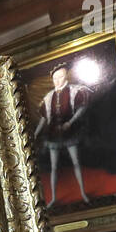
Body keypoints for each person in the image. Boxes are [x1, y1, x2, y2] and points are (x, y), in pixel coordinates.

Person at [33, 64, 91, 208]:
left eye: (60, 77)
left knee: (76, 163)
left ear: (66, 77)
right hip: (53, 135)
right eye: (55, 78)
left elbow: (82, 109)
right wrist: (35, 133)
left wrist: (70, 123)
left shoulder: (74, 92)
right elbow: (44, 118)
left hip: (70, 133)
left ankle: (83, 194)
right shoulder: (48, 97)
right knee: (54, 167)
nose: (57, 80)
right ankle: (52, 198)